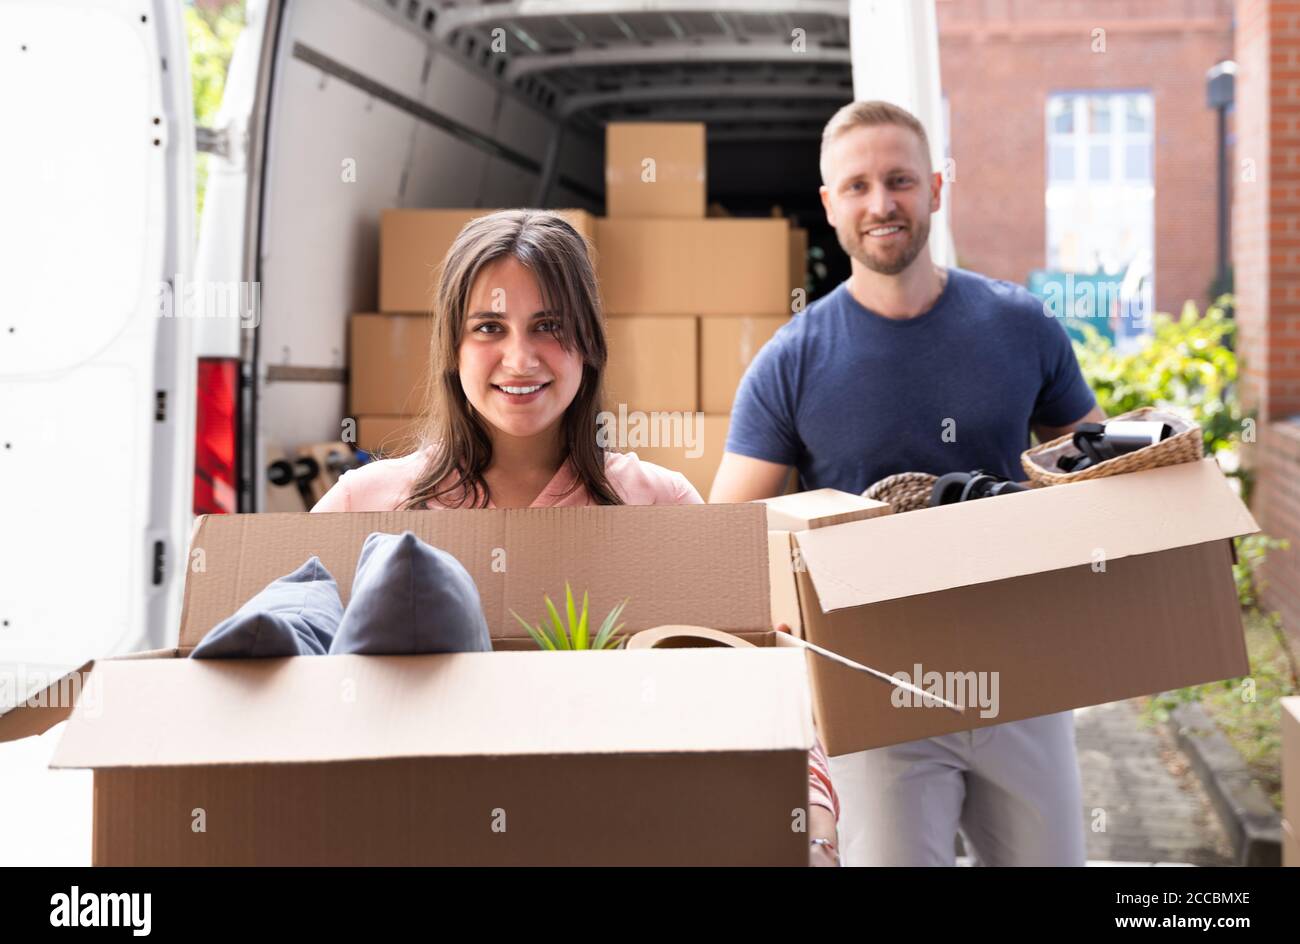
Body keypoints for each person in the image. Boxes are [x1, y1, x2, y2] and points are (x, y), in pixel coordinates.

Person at [313, 209, 841, 865]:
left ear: (588, 342)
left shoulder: (659, 505)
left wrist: (814, 825)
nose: (519, 357)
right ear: (452, 346)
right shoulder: (367, 508)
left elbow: (762, 696)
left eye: (548, 327)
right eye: (488, 328)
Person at [709, 101, 1105, 866]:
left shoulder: (1021, 326)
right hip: (874, 690)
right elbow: (730, 533)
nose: (881, 203)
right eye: (856, 186)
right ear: (829, 205)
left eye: (900, 180)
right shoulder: (791, 362)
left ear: (937, 188)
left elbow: (1094, 471)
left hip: (1023, 672)